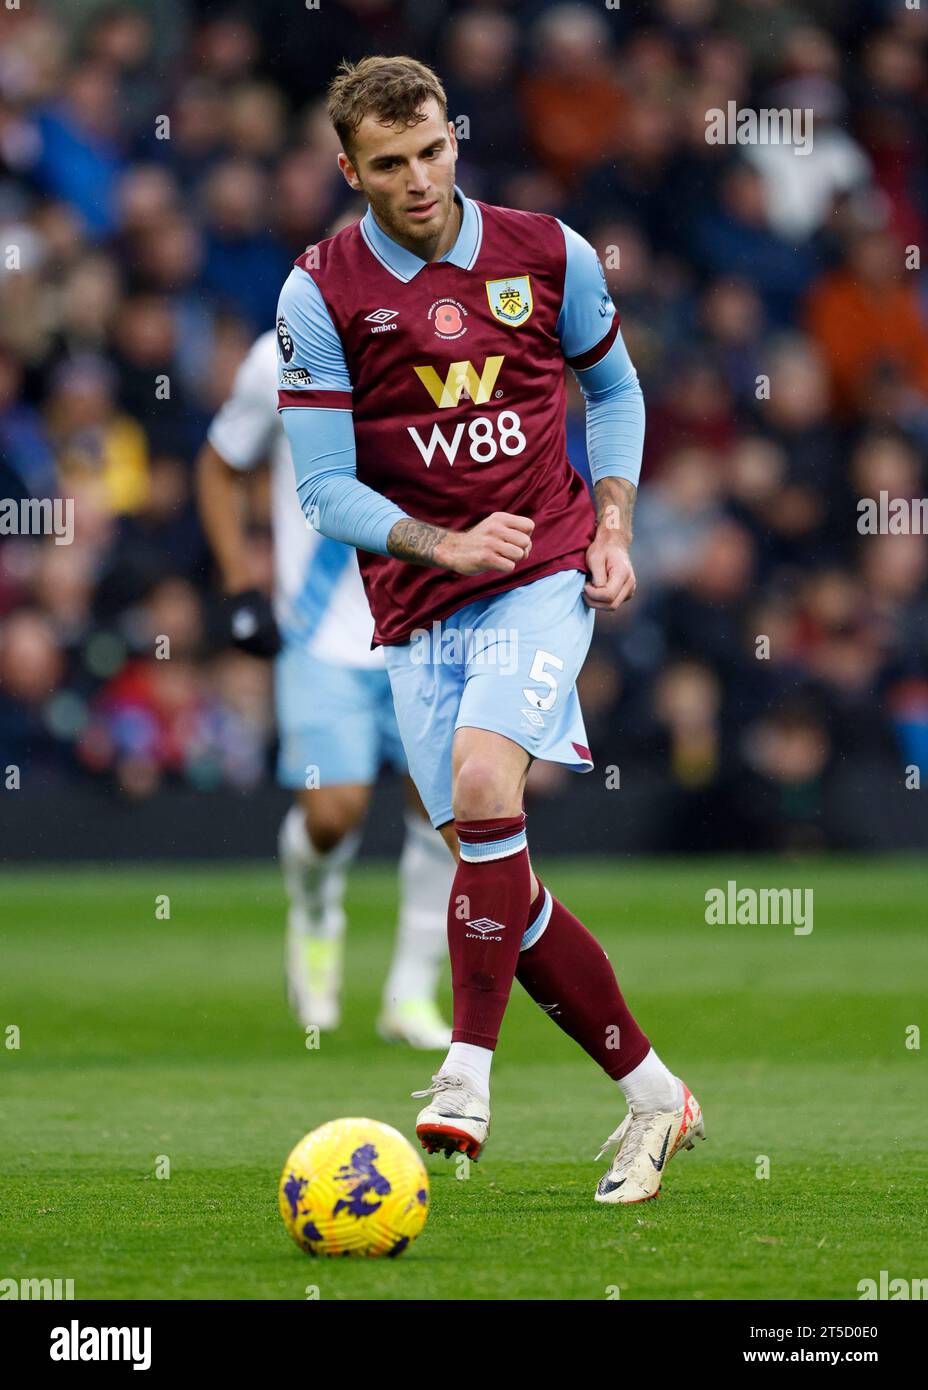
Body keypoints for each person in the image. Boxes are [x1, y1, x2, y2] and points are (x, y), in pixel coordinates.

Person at [276, 55, 704, 1204]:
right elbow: (322, 493)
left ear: (453, 138)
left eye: (432, 151)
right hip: (420, 602)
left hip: (543, 570)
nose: (418, 181)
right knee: (497, 884)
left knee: (479, 784)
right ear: (348, 169)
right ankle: (656, 1095)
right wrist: (439, 542)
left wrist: (611, 523)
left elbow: (612, 393)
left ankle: (463, 1074)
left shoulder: (545, 251)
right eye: (388, 165)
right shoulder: (319, 292)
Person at [196, 327, 454, 1049]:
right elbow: (219, 465)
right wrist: (239, 580)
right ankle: (314, 912)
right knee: (334, 811)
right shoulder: (279, 354)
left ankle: (409, 993)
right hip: (319, 629)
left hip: (430, 621)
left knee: (446, 811)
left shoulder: (450, 337)